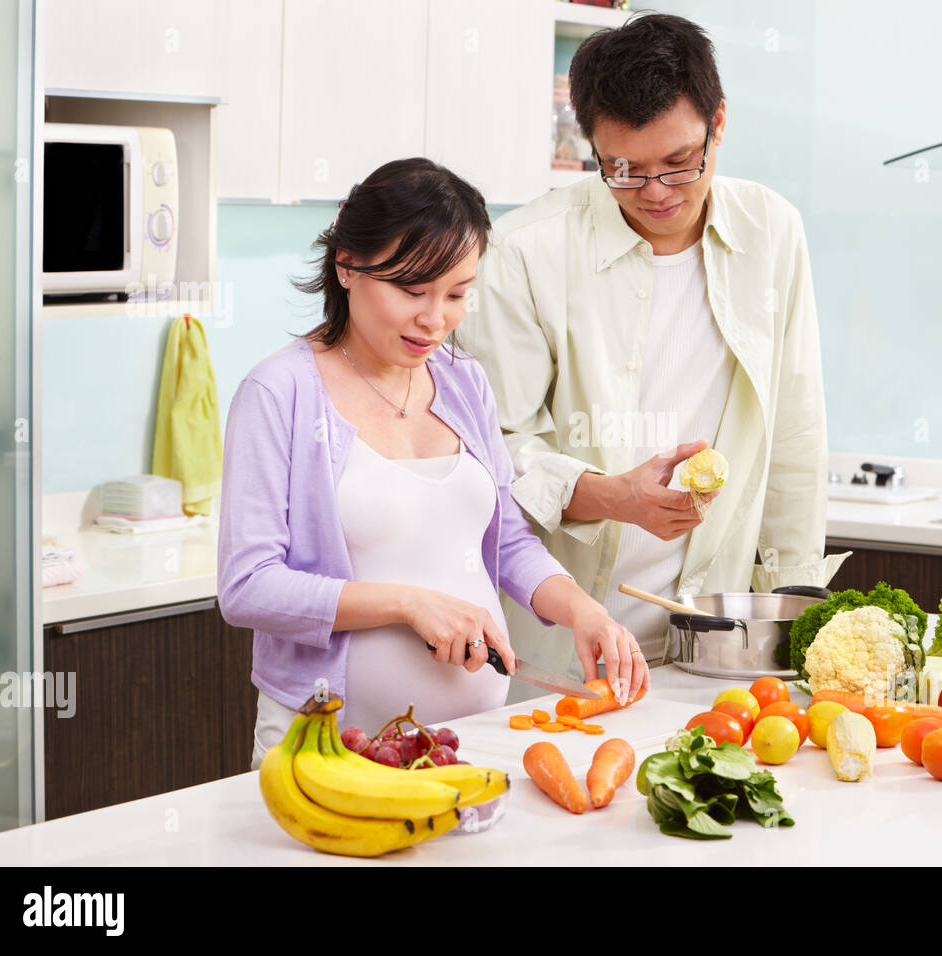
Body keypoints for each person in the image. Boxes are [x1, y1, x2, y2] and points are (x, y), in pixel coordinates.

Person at [217, 159, 648, 768]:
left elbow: (508, 545)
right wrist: (407, 604)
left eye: (457, 294)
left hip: (475, 740)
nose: (435, 319)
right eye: (413, 291)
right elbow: (247, 586)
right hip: (329, 750)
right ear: (346, 266)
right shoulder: (279, 393)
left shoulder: (463, 380)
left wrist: (582, 609)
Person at [462, 13, 842, 685]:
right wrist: (613, 497)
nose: (658, 193)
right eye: (625, 170)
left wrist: (799, 606)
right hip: (568, 650)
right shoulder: (523, 251)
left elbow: (795, 433)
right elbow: (497, 450)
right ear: (592, 150)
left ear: (718, 123)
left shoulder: (772, 232)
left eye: (679, 162)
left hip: (721, 646)